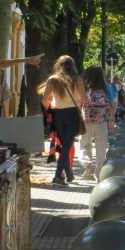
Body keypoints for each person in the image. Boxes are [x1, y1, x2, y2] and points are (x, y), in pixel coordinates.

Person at [39, 56, 87, 186]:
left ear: (58, 65)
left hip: (57, 114)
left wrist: (50, 109)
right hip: (72, 114)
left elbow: (44, 100)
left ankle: (69, 174)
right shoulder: (77, 78)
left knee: (63, 145)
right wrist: (79, 104)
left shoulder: (52, 79)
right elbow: (84, 98)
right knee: (66, 146)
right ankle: (57, 176)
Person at [80, 65, 115, 180]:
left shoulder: (83, 87)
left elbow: (79, 103)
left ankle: (87, 163)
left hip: (86, 121)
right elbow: (112, 104)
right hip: (102, 122)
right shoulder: (107, 87)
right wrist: (111, 119)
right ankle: (98, 173)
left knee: (85, 145)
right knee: (101, 147)